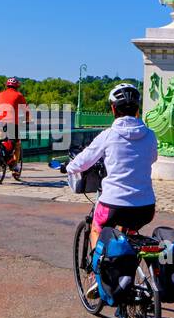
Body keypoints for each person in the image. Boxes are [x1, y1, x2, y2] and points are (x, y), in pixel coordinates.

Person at [67, 82, 158, 251]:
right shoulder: (150, 135)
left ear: (113, 109)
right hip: (146, 208)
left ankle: (99, 271)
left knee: (96, 228)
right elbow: (152, 158)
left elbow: (85, 160)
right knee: (129, 232)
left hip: (113, 205)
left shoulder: (108, 135)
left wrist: (68, 168)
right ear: (137, 110)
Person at [0, 77, 27, 176]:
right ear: (17, 86)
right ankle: (15, 167)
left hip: (0, 122)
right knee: (17, 144)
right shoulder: (19, 95)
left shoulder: (0, 94)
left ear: (6, 85)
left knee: (0, 141)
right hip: (13, 123)